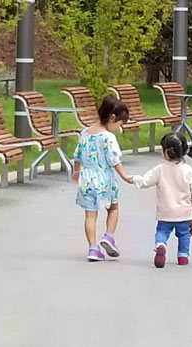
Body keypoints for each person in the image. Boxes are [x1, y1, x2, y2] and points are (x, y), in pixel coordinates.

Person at [72, 95, 134, 262]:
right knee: (113, 208)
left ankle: (93, 249)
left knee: (90, 216)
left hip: (86, 179)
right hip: (104, 178)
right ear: (112, 118)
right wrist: (125, 176)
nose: (119, 128)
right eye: (120, 124)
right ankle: (109, 236)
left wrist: (76, 172)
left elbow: (77, 155)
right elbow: (115, 160)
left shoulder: (84, 132)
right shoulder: (108, 137)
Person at [133, 132, 192, 268]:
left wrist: (134, 179)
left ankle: (160, 245)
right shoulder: (188, 170)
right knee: (184, 234)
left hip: (165, 212)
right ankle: (183, 256)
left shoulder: (160, 170)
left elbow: (145, 181)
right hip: (184, 213)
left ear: (166, 153)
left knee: (162, 232)